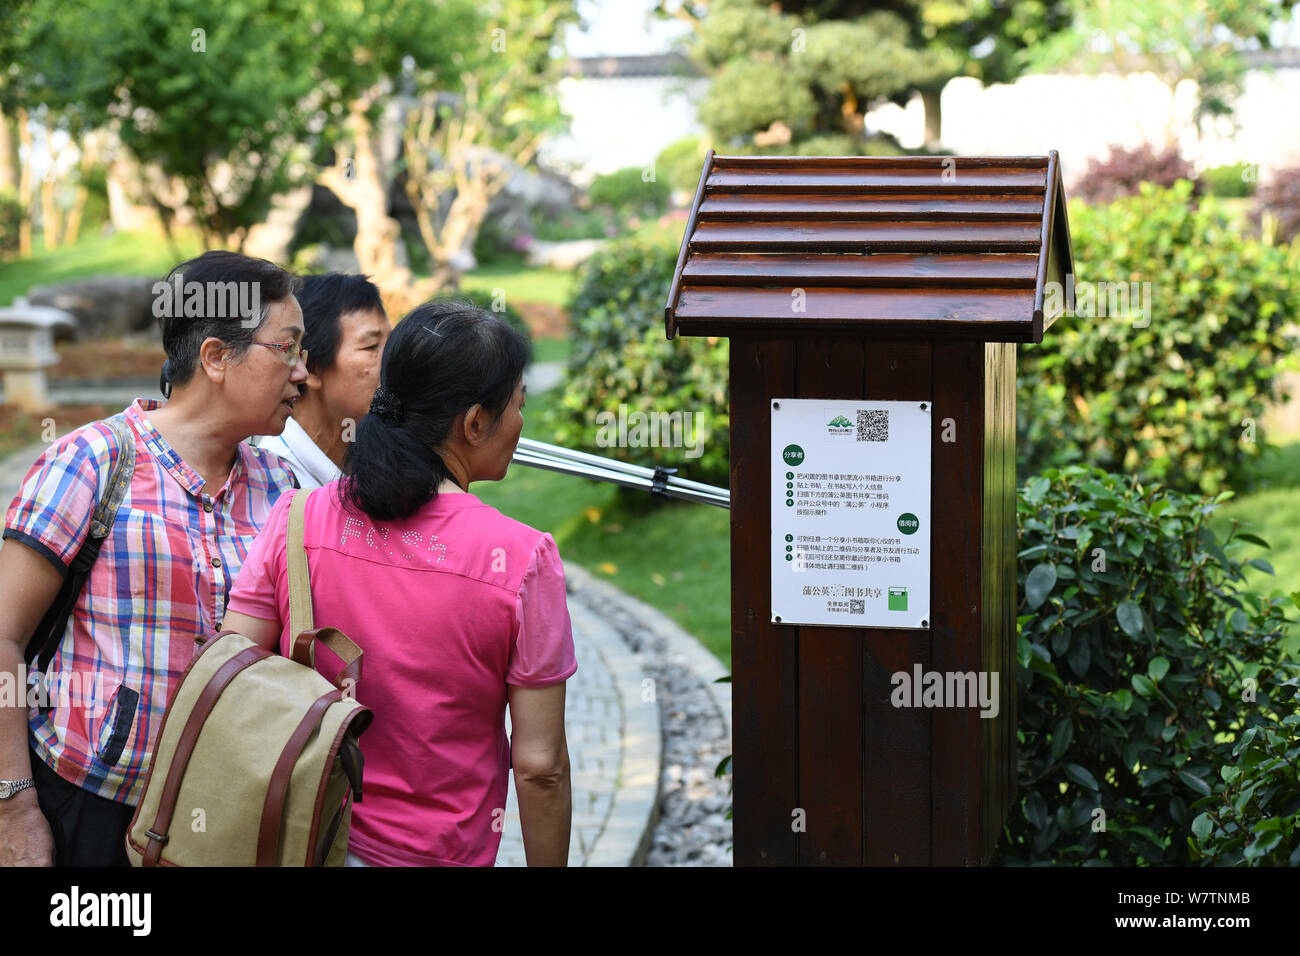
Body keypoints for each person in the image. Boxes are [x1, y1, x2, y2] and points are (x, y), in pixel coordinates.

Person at [221, 300, 576, 867]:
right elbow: (540, 768)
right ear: (475, 422)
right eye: (519, 406)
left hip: (302, 839)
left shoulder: (296, 518)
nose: (522, 423)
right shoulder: (521, 559)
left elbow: (232, 668)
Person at [0, 251, 306, 866]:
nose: (304, 373)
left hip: (224, 817)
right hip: (88, 809)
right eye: (289, 348)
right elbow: (3, 636)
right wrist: (14, 807)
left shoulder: (284, 488)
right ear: (217, 357)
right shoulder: (90, 462)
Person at [256, 273, 390, 489]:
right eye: (371, 347)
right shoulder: (273, 483)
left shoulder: (380, 459)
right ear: (312, 368)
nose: (393, 358)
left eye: (392, 343)